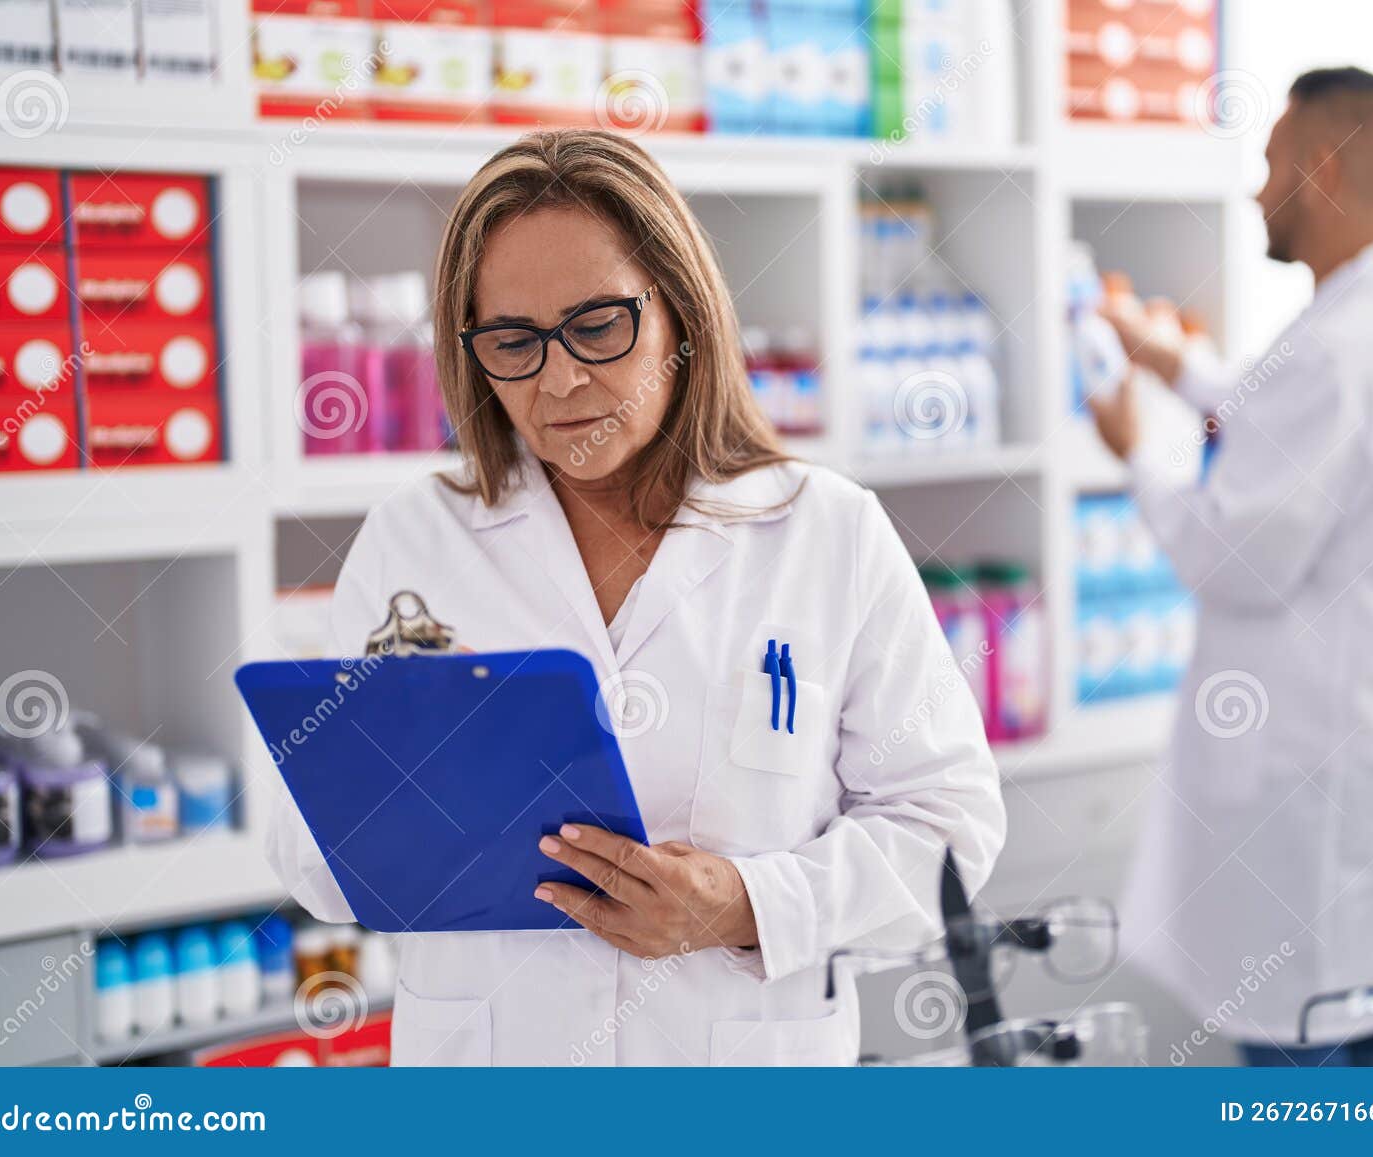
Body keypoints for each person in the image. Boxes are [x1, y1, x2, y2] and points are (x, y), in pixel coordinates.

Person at [265, 129, 1006, 1067]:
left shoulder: (825, 533)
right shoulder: (414, 543)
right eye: (513, 342)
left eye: (599, 325)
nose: (561, 378)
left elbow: (949, 827)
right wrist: (402, 825)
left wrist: (743, 904)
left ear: (680, 316)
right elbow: (309, 851)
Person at [1088, 67, 1373, 1066]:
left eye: (1269, 164)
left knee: (1298, 1047)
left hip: (1306, 784)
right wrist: (1172, 364)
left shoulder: (1337, 352)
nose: (1259, 189)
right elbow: (1287, 428)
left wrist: (1137, 444)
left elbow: (1229, 553)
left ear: (1322, 169)